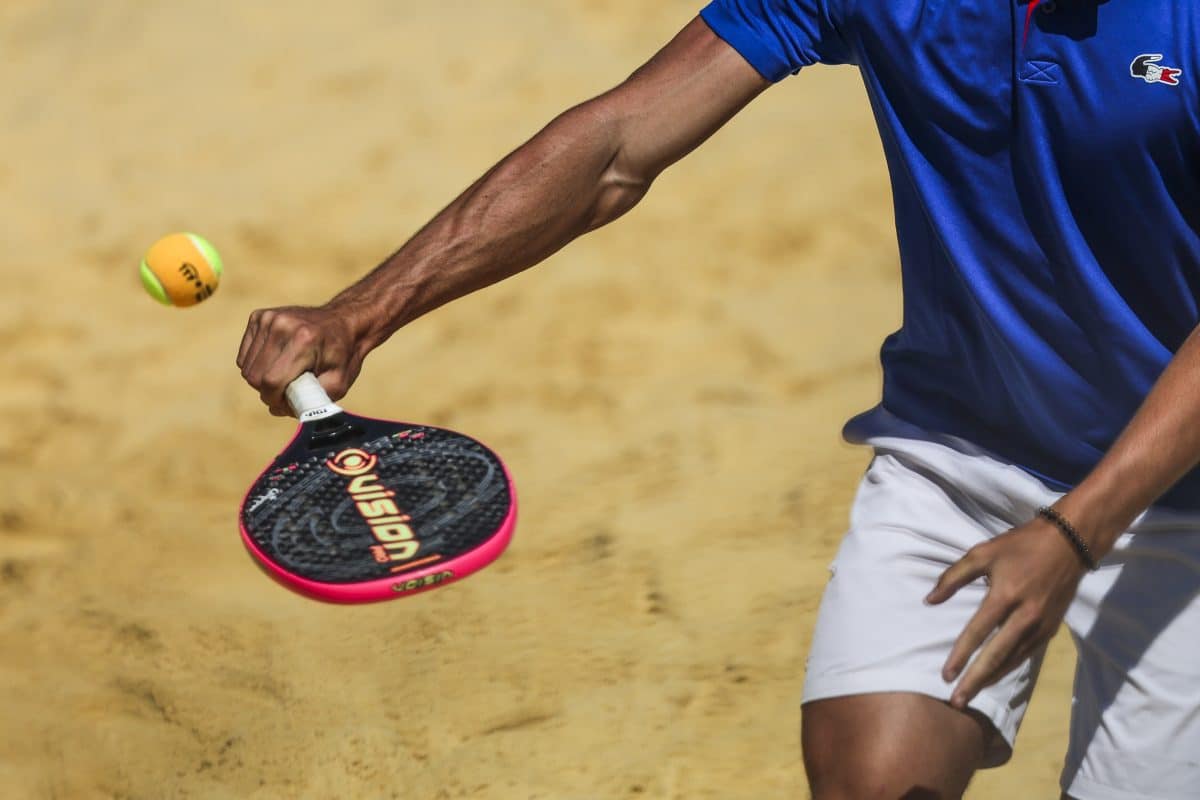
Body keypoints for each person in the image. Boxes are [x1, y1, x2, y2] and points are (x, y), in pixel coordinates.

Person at [237, 2, 1200, 798]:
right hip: (962, 451)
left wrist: (1075, 532)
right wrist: (362, 314)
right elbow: (616, 146)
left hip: (1181, 494)